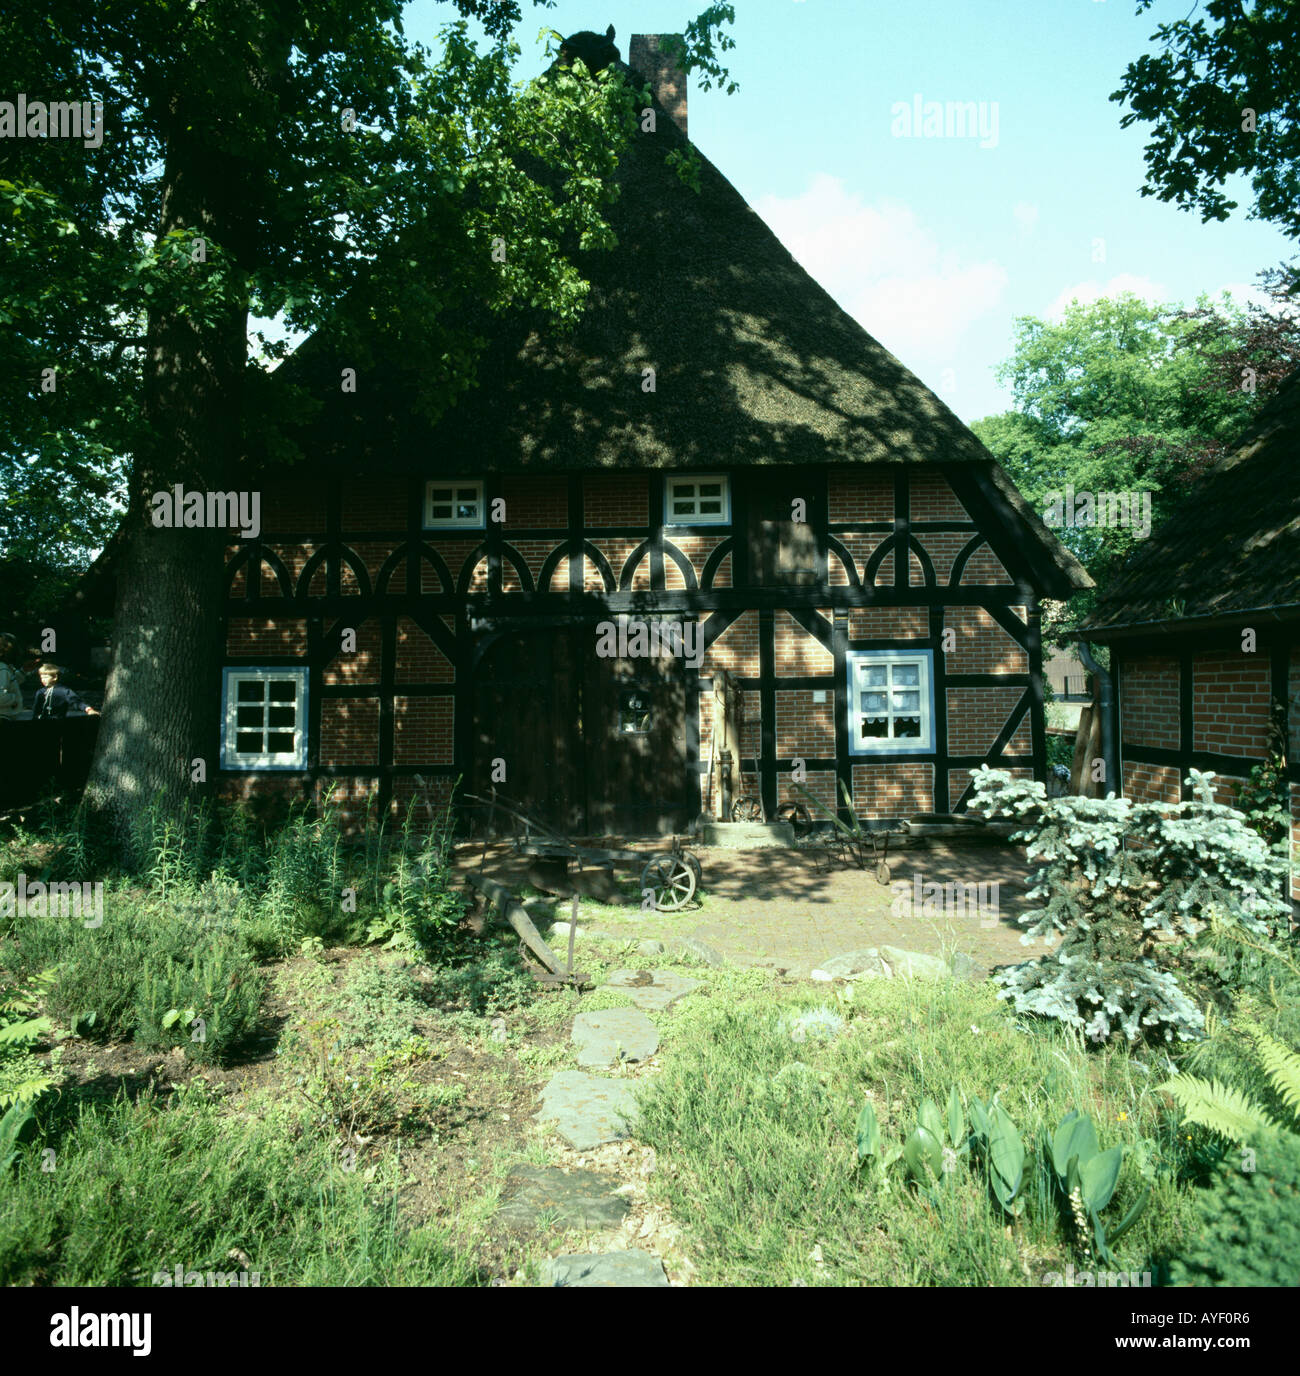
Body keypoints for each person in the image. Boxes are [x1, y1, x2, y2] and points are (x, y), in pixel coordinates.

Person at [32, 663, 101, 719]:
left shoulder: (63, 690)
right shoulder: (40, 692)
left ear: (55, 677)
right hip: (41, 722)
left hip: (57, 722)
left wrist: (89, 709)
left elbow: (76, 701)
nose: (43, 680)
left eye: (46, 677)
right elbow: (36, 709)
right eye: (41, 678)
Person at [0, 633, 24, 720]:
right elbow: (1, 696)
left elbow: (11, 682)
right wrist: (15, 699)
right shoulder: (2, 669)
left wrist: (24, 671)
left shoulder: (6, 667)